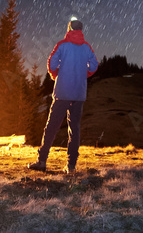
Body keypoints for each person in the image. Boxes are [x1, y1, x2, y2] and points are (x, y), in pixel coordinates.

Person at [28, 17, 98, 173]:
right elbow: (94, 66)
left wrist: (56, 75)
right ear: (81, 30)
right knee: (74, 129)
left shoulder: (62, 44)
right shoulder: (87, 47)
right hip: (78, 94)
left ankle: (42, 161)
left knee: (51, 127)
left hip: (62, 92)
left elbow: (51, 63)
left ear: (69, 29)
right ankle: (71, 166)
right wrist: (83, 74)